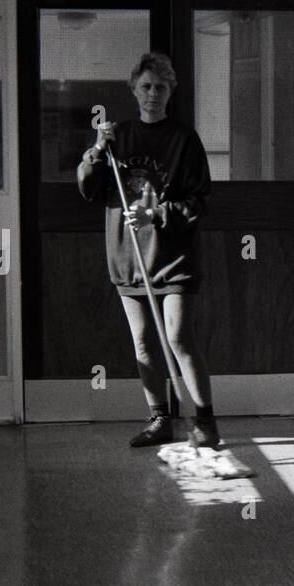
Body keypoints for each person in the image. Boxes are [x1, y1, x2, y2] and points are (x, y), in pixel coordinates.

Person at [77, 51, 220, 449]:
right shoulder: (116, 137)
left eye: (160, 87)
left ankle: (205, 421)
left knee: (178, 337)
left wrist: (156, 214)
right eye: (146, 86)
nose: (152, 94)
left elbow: (200, 202)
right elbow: (89, 189)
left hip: (173, 258)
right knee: (143, 343)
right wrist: (95, 150)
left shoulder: (185, 140)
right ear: (134, 90)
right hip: (128, 257)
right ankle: (160, 419)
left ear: (171, 90)